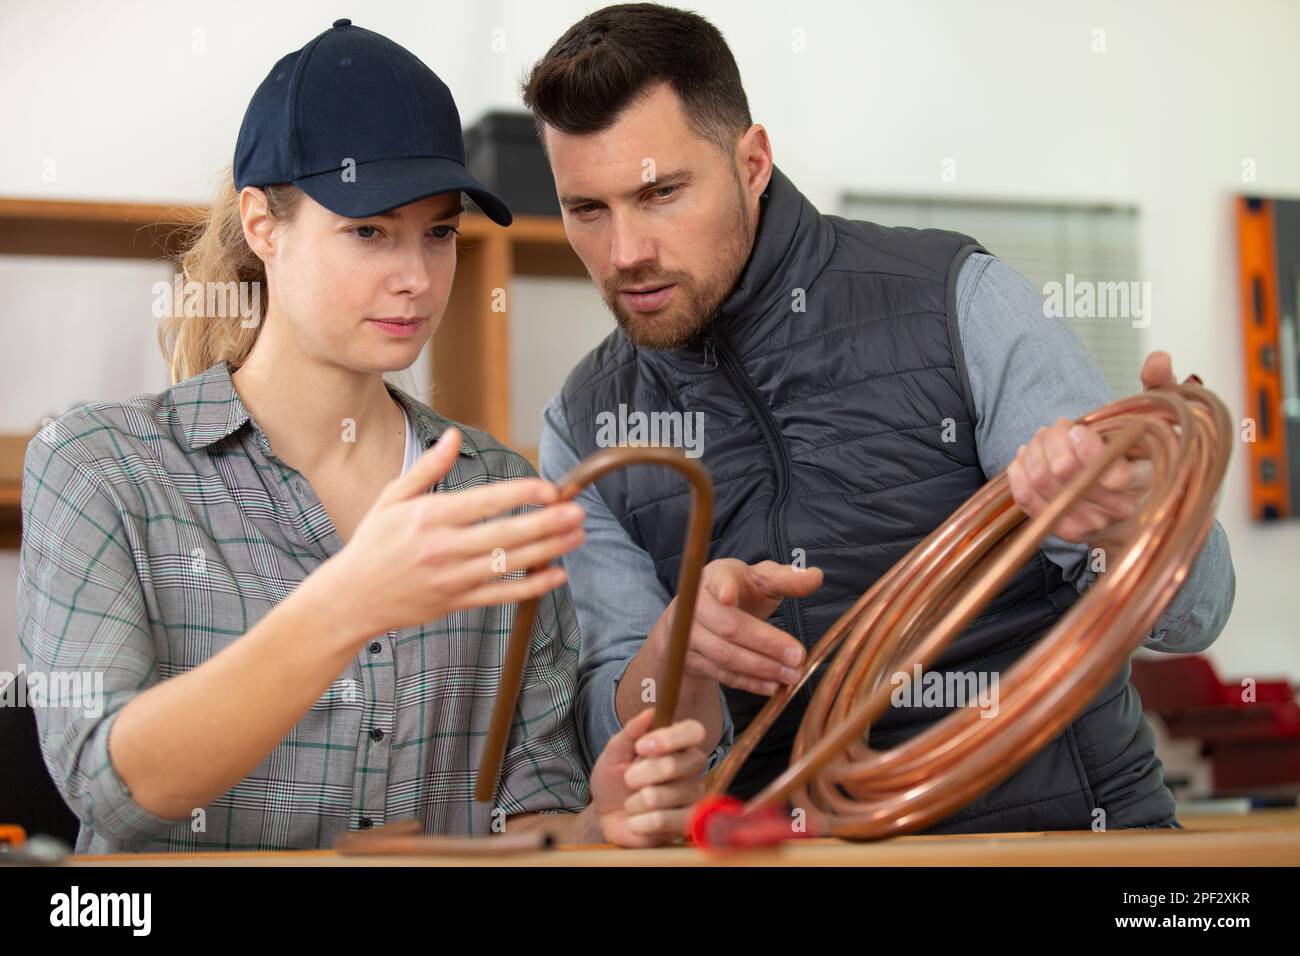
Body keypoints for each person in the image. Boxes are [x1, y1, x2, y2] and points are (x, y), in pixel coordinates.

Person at [523, 3, 1236, 831]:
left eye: (661, 193)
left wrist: (1130, 527)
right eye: (588, 209)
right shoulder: (583, 427)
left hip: (1071, 841)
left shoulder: (958, 301)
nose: (625, 254)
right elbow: (616, 745)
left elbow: (1195, 615)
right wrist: (675, 654)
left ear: (752, 163)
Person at [16, 19, 707, 854]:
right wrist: (348, 603)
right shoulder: (99, 468)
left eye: (439, 233)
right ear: (263, 225)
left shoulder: (497, 492)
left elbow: (525, 819)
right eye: (369, 231)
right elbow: (110, 788)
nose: (416, 277)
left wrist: (597, 823)